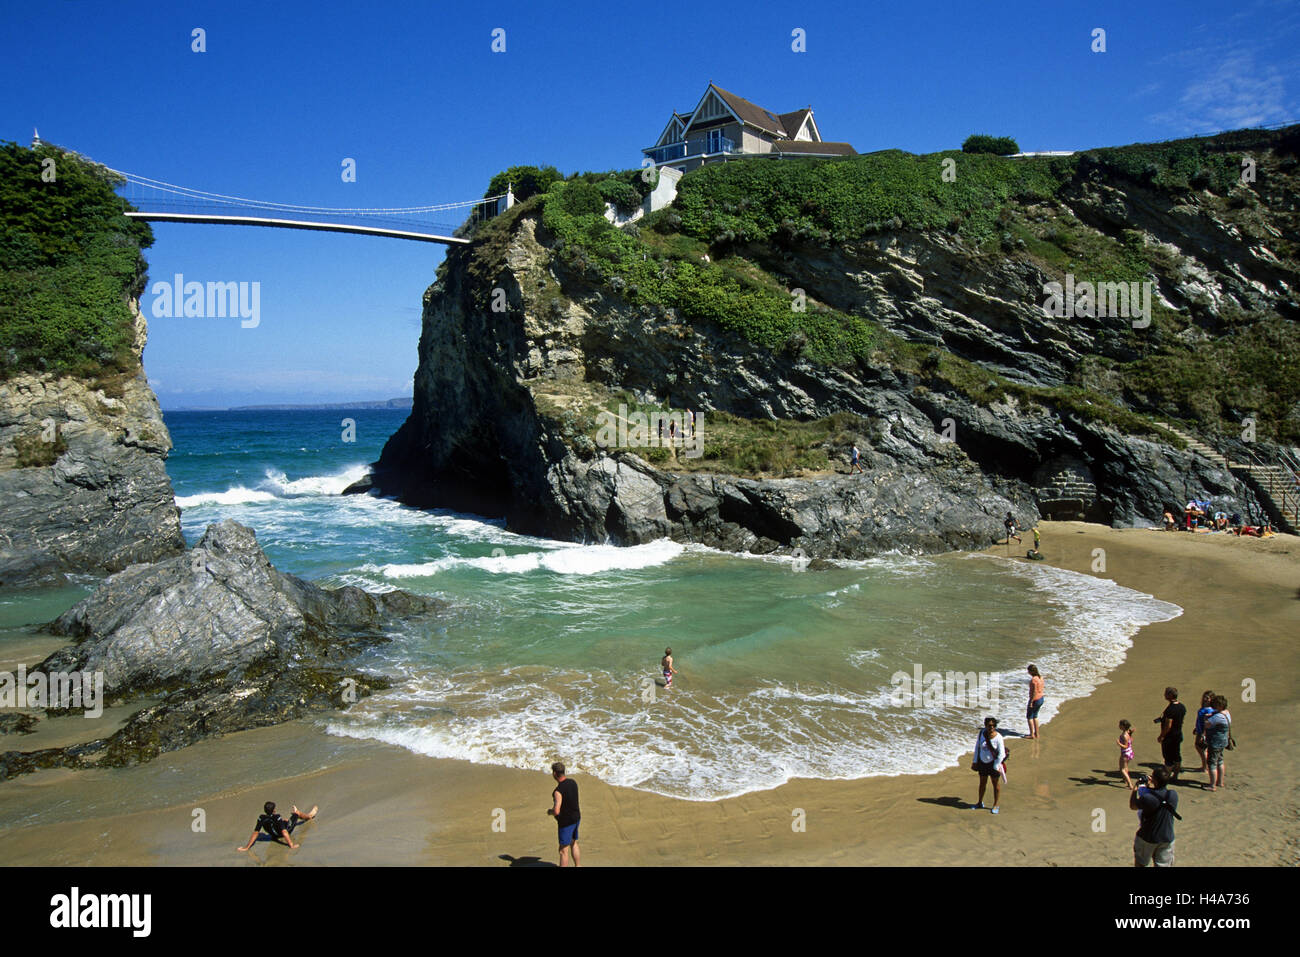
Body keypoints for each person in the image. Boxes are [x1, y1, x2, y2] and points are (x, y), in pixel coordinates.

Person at [1130, 765, 1180, 867]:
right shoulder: (1173, 795)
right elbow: (1157, 797)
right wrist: (1150, 786)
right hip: (1167, 837)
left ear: (1155, 780)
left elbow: (1133, 805)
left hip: (1147, 837)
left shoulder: (1148, 798)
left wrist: (1136, 787)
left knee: (1141, 863)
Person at [237, 801, 318, 851]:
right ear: (274, 810)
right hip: (284, 831)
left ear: (265, 810)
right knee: (296, 815)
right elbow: (284, 831)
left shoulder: (261, 818)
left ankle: (288, 820)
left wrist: (246, 847)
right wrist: (291, 845)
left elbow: (255, 833)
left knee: (284, 821)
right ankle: (308, 815)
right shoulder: (277, 816)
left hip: (273, 834)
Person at [970, 717, 1007, 814]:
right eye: (989, 725)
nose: (991, 727)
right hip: (982, 763)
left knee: (996, 785)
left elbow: (1001, 754)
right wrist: (975, 761)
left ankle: (996, 805)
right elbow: (977, 747)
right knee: (982, 783)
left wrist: (996, 765)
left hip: (993, 764)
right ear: (985, 725)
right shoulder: (982, 733)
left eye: (993, 725)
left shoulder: (998, 737)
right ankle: (979, 802)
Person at [546, 762, 581, 867]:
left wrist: (550, 812)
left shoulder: (558, 791)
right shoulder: (573, 782)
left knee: (563, 850)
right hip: (576, 818)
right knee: (573, 843)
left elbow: (557, 811)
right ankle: (578, 865)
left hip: (566, 823)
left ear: (555, 774)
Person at [1155, 686, 1185, 779]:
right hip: (1178, 734)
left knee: (1168, 758)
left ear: (1170, 695)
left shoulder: (1171, 709)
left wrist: (1162, 736)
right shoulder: (1182, 706)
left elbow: (1168, 725)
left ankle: (1167, 776)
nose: (1164, 695)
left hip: (1170, 737)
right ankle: (1175, 775)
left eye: (1166, 693)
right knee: (1177, 756)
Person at [1203, 694, 1231, 791]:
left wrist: (1205, 718)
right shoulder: (1226, 713)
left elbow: (1207, 725)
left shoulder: (1218, 716)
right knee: (1220, 761)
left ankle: (1212, 785)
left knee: (1212, 763)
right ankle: (1220, 782)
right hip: (1223, 741)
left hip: (1215, 742)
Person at [1192, 690, 1215, 772]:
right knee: (1200, 747)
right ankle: (1205, 765)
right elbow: (1199, 720)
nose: (1205, 699)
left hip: (1203, 732)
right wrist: (1196, 728)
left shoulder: (1210, 710)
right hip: (1199, 730)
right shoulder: (1203, 708)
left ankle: (1205, 767)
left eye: (1207, 698)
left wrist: (1203, 734)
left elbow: (1207, 723)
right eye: (1204, 697)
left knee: (1201, 748)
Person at [1025, 665, 1045, 739]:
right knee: (1035, 716)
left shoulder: (1034, 680)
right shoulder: (1041, 677)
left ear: (1031, 671)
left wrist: (1031, 702)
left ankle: (1032, 734)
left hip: (1035, 699)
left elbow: (1034, 692)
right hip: (1041, 698)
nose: (1028, 672)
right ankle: (1037, 733)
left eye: (1029, 671)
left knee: (1029, 717)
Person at [1117, 719, 1136, 790]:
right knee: (1125, 767)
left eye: (1120, 725)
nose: (1119, 726)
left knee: (1122, 769)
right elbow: (1131, 740)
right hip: (1129, 752)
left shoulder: (1124, 735)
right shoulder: (1128, 732)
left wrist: (1119, 743)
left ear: (1123, 726)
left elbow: (1125, 746)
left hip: (1125, 753)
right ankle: (1125, 779)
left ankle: (1130, 784)